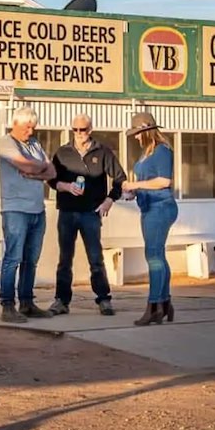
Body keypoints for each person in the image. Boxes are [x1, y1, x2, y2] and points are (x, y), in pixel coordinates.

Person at [46, 114, 127, 316]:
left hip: (91, 213)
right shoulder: (63, 153)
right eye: (75, 130)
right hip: (67, 212)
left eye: (83, 130)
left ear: (90, 130)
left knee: (95, 258)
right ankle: (61, 301)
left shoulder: (103, 152)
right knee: (65, 258)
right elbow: (50, 178)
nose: (79, 134)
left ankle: (103, 299)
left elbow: (120, 178)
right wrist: (63, 186)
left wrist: (110, 200)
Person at [0, 106, 56, 322]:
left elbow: (52, 172)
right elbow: (29, 167)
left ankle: (27, 302)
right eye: (27, 127)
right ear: (16, 123)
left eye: (33, 127)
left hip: (37, 210)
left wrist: (35, 168)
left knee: (31, 259)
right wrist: (36, 169)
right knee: (13, 257)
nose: (30, 132)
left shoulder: (35, 144)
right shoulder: (6, 143)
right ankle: (8, 305)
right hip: (15, 210)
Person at [121, 112, 179, 326]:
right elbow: (148, 180)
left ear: (146, 132)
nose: (135, 137)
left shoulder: (162, 151)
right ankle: (164, 304)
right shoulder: (147, 153)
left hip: (160, 207)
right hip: (149, 206)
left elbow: (164, 181)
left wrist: (135, 186)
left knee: (153, 256)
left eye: (137, 133)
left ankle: (154, 306)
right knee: (158, 256)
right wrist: (133, 192)